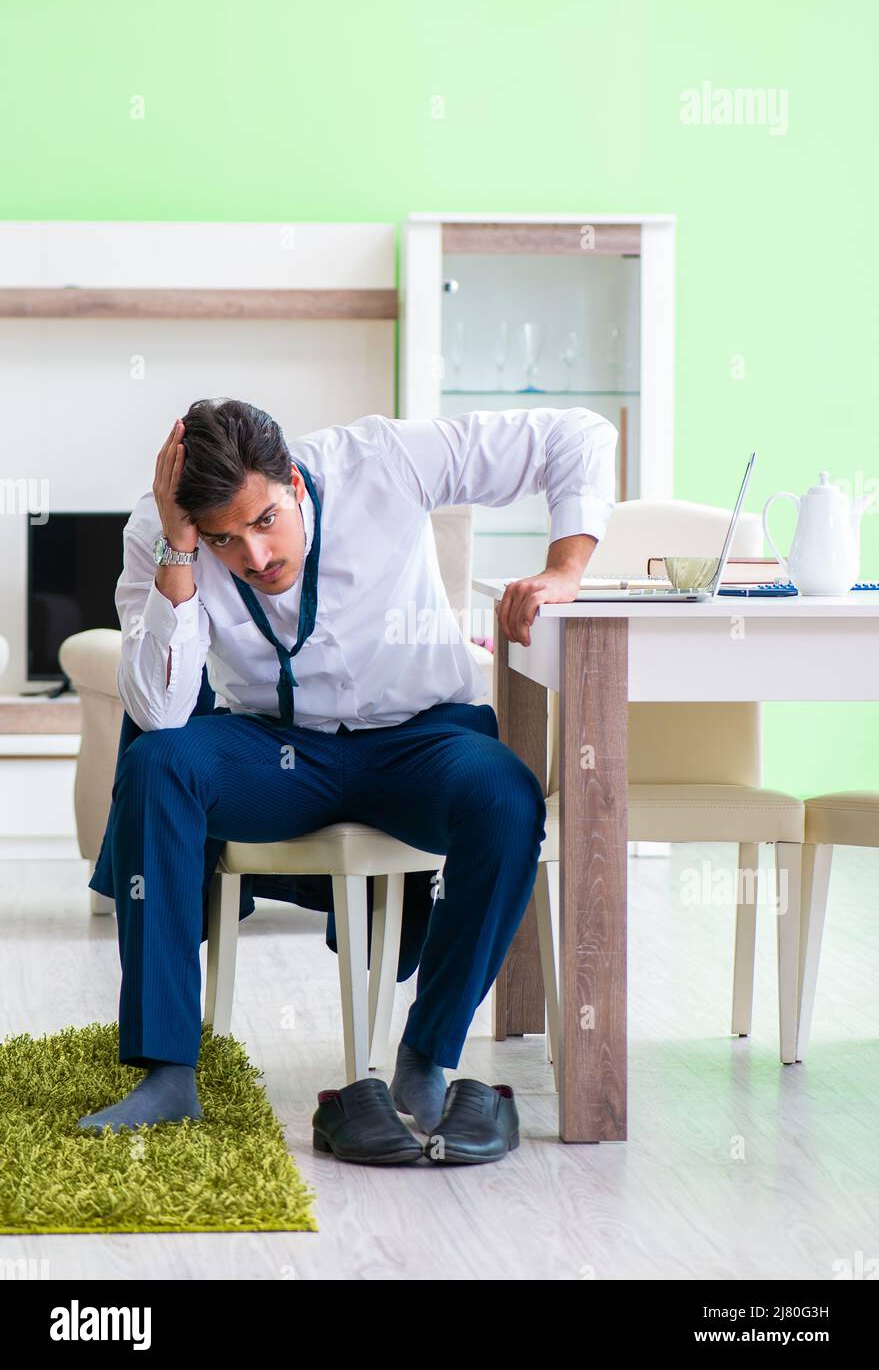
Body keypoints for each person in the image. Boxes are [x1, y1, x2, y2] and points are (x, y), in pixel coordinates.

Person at [77, 398, 617, 1140]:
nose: (256, 560)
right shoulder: (158, 533)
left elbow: (576, 435)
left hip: (418, 742)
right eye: (224, 541)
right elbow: (162, 710)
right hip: (273, 750)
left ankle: (425, 1059)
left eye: (265, 521)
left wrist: (565, 566)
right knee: (157, 763)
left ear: (294, 482)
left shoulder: (382, 462)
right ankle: (167, 1072)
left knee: (505, 798)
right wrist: (178, 551)